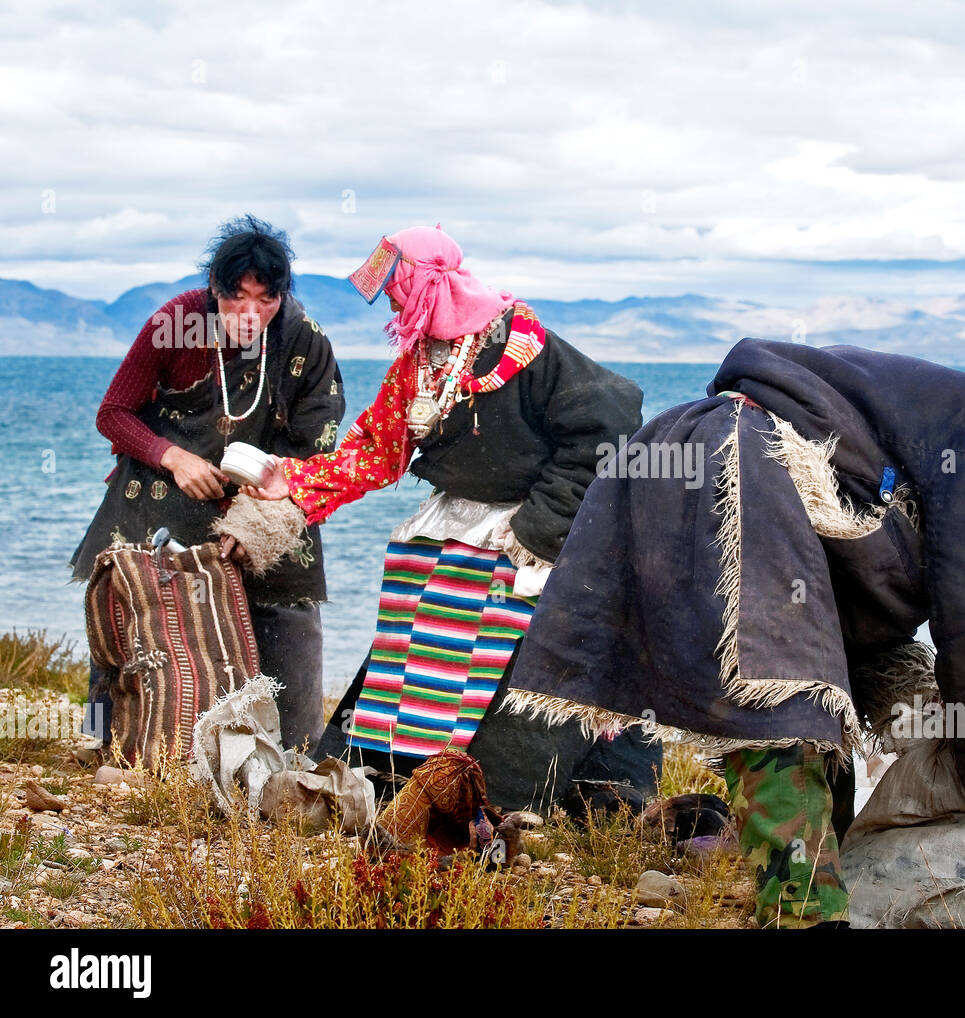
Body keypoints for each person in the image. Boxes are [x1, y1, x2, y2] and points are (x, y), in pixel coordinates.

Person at [503, 350, 965, 927]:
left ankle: (816, 890)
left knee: (806, 695)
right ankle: (808, 915)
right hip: (740, 469)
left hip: (698, 460)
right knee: (785, 709)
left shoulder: (935, 427)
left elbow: (855, 587)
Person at [245, 224, 659, 810]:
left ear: (427, 282)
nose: (388, 298)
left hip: (530, 531)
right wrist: (292, 481)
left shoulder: (525, 343)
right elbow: (376, 449)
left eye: (395, 285)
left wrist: (536, 528)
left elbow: (611, 417)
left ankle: (492, 789)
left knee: (506, 638)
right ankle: (396, 769)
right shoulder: (421, 364)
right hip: (462, 521)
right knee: (417, 618)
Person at [71, 215, 345, 753]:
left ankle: (290, 754)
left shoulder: (304, 341)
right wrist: (174, 457)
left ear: (282, 295)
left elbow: (319, 445)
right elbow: (114, 413)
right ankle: (108, 742)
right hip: (164, 492)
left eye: (265, 299)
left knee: (287, 609)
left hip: (267, 499)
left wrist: (258, 521)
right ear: (214, 289)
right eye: (236, 297)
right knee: (135, 607)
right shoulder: (176, 323)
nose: (250, 313)